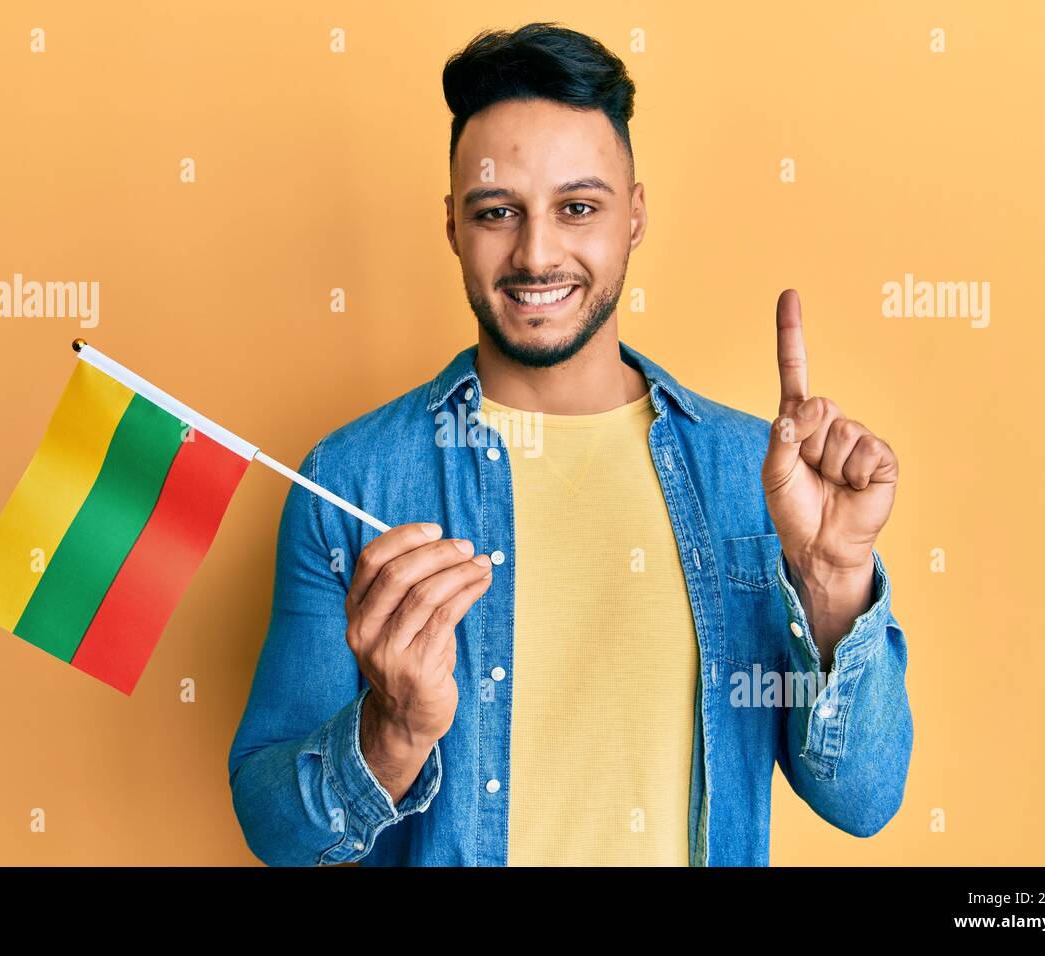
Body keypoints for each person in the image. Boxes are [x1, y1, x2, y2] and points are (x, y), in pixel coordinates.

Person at [228, 21, 912, 866]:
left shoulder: (757, 476)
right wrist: (392, 732)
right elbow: (274, 830)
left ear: (635, 218)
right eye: (497, 212)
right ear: (452, 224)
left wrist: (834, 581)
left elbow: (865, 798)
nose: (537, 252)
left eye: (578, 207)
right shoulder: (353, 480)